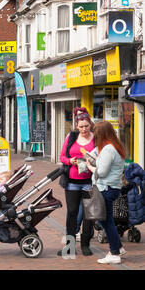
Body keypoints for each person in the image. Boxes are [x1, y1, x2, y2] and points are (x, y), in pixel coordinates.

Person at [86, 121, 127, 264]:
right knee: (106, 220)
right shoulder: (113, 146)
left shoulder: (108, 149)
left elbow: (102, 172)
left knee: (106, 221)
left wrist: (90, 167)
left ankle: (114, 253)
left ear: (102, 134)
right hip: (111, 188)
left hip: (106, 188)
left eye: (96, 134)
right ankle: (118, 247)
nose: (94, 136)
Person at [57, 107, 95, 257]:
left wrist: (92, 161)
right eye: (81, 127)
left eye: (86, 126)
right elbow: (62, 157)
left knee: (89, 214)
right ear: (76, 126)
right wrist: (70, 160)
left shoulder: (96, 137)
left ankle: (85, 244)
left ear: (90, 124)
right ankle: (70, 246)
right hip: (72, 181)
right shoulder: (71, 137)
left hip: (89, 181)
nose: (84, 129)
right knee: (72, 213)